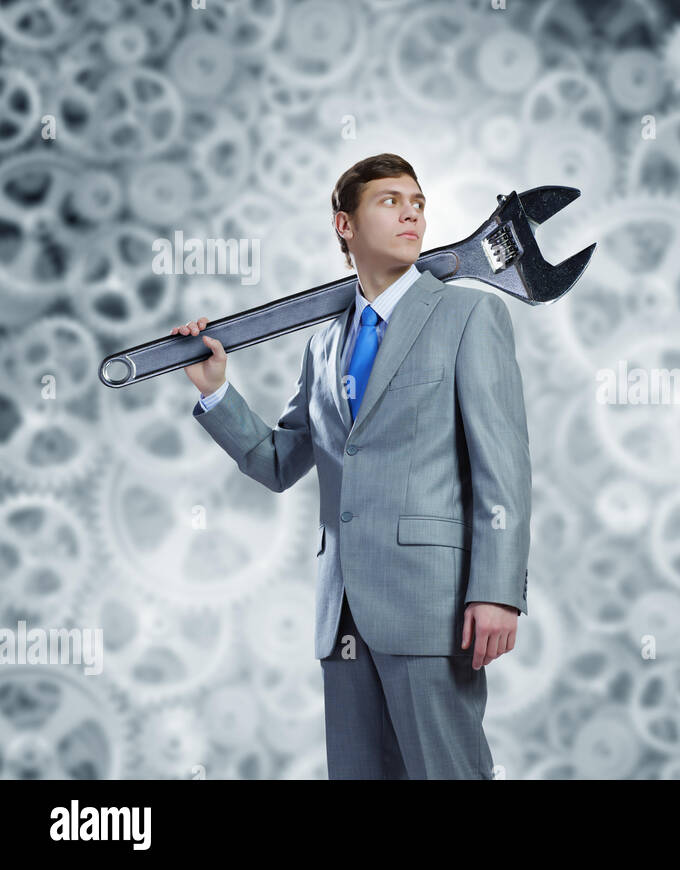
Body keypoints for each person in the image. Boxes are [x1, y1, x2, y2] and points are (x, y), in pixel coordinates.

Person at [172, 153, 530, 779]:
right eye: (389, 201)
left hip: (432, 607)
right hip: (341, 612)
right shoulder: (324, 342)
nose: (411, 211)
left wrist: (498, 592)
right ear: (345, 225)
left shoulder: (469, 316)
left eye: (417, 200)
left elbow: (504, 466)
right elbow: (279, 461)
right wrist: (216, 392)